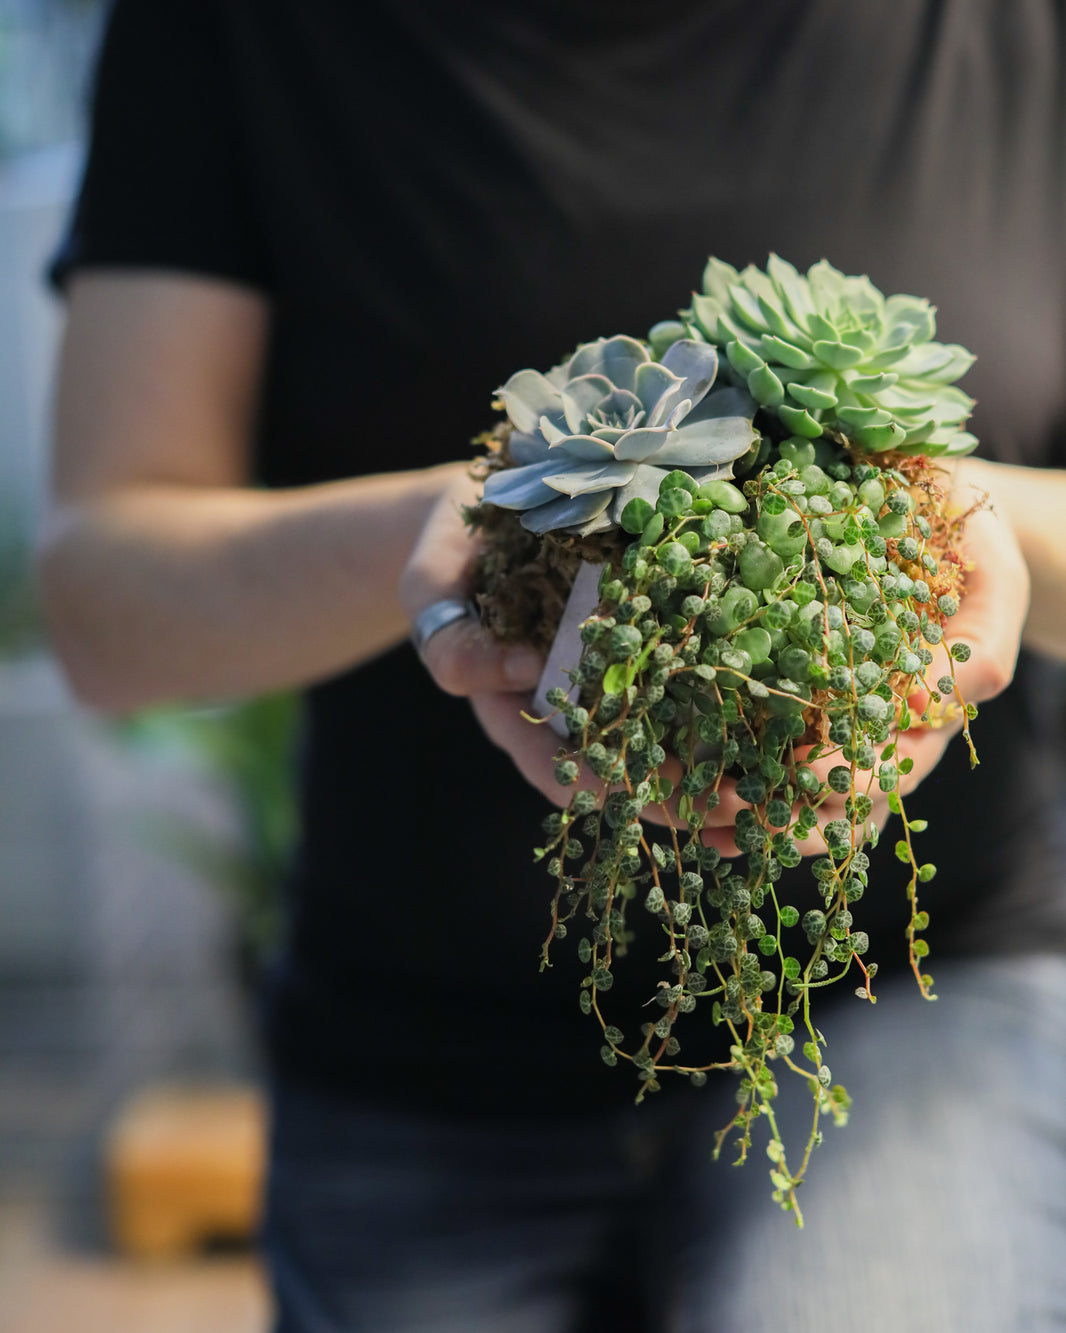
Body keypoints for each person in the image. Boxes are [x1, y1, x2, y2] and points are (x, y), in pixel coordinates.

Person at [40, 2, 1066, 1329]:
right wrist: (444, 536)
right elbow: (101, 602)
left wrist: (972, 521)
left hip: (909, 998)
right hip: (420, 1041)